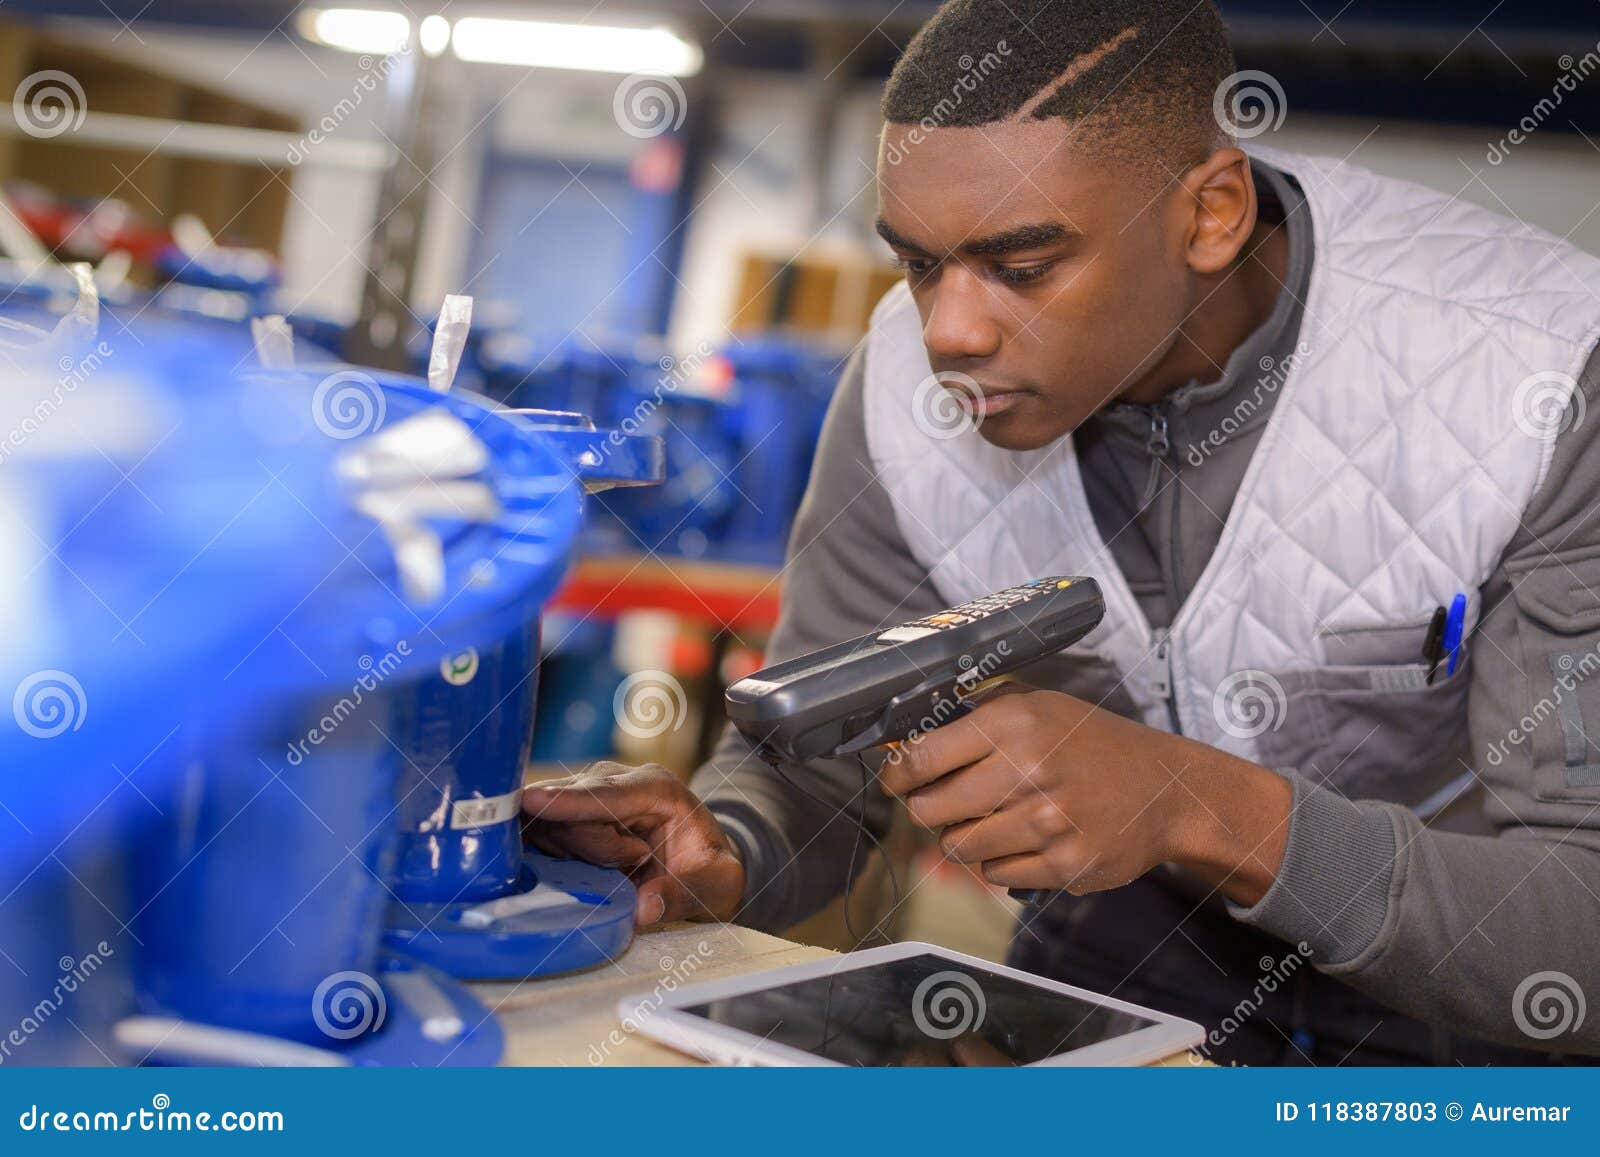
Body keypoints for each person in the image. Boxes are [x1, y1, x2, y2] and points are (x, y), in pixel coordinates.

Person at [524, 0, 1600, 1064]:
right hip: (1107, 999)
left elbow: (1581, 927)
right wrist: (732, 846)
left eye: (1023, 267)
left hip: (1450, 1032)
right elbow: (812, 772)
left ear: (1211, 213)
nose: (947, 330)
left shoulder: (1533, 375)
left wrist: (1197, 804)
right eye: (917, 262)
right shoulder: (902, 392)